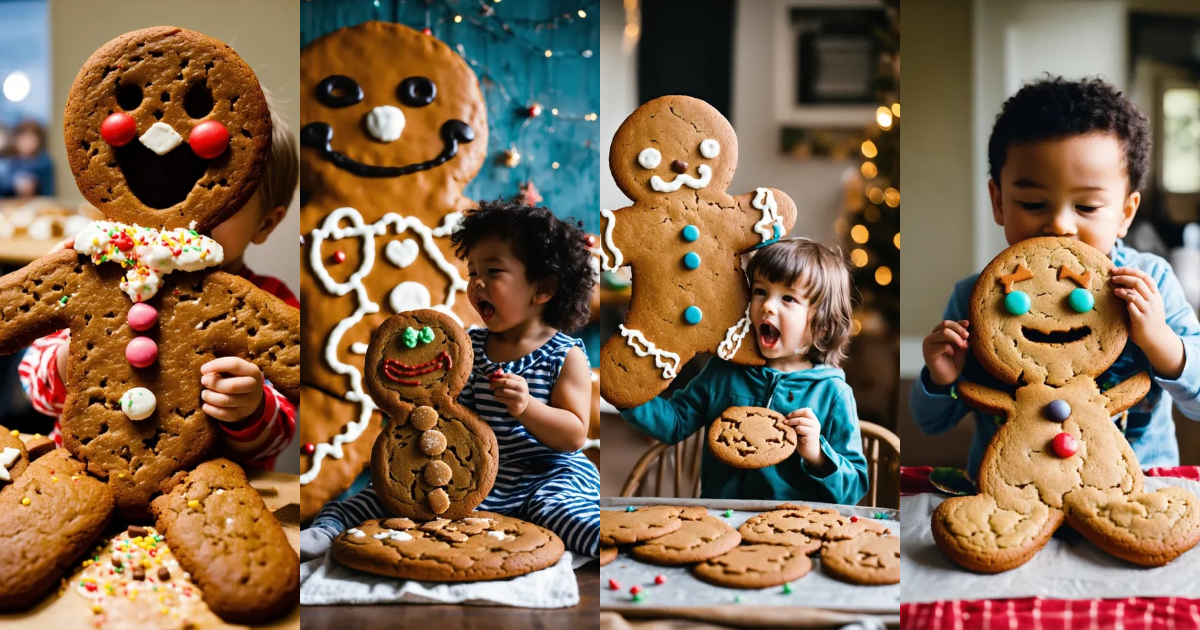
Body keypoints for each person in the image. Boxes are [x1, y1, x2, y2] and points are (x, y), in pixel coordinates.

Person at [912, 76, 1200, 476]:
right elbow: (930, 423)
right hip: (1015, 485)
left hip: (1136, 485)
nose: (1059, 224)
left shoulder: (1151, 282)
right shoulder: (975, 298)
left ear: (1125, 213)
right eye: (1033, 202)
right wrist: (941, 378)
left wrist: (1160, 342)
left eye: (1087, 207)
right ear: (998, 201)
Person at [301, 200, 600, 560]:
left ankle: (603, 542)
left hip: (547, 475)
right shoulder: (467, 347)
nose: (477, 283)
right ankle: (324, 531)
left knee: (561, 514)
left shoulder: (564, 355)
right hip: (473, 474)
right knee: (378, 493)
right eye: (473, 272)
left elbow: (573, 435)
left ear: (543, 289)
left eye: (493, 271)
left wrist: (527, 407)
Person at [19, 93, 299, 469]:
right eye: (168, 185)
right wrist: (77, 354)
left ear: (266, 223)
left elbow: (280, 435)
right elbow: (35, 390)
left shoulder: (271, 304)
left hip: (210, 493)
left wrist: (251, 409)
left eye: (225, 200)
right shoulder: (96, 280)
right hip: (86, 472)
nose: (186, 212)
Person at [621, 238, 869, 504]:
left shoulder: (833, 393)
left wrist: (819, 454)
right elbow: (675, 421)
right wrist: (624, 393)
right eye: (760, 291)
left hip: (793, 528)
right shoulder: (723, 370)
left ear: (823, 326)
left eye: (788, 298)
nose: (767, 306)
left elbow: (854, 488)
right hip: (720, 520)